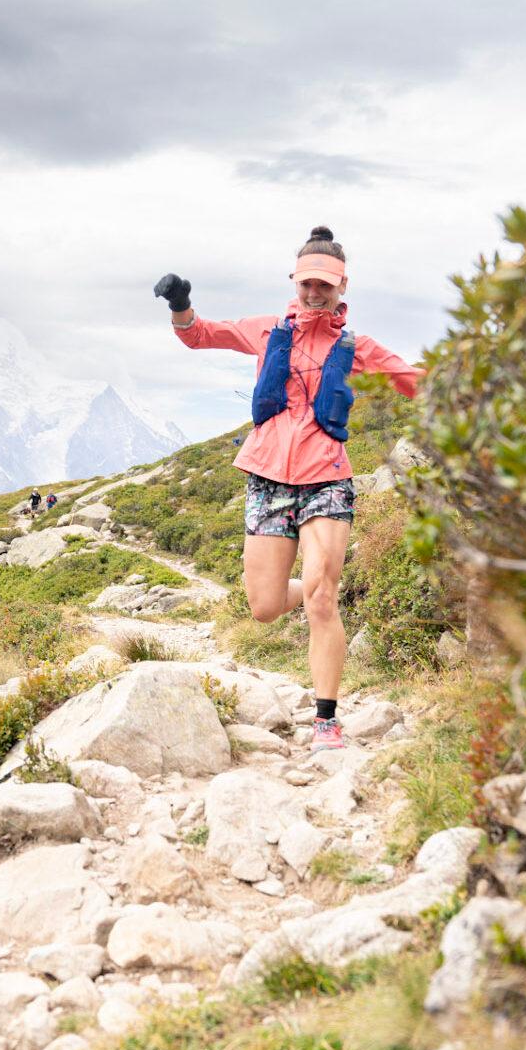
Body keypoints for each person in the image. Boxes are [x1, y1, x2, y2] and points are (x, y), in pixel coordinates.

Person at [155, 226, 422, 751]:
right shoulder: (265, 330)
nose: (314, 292)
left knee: (324, 598)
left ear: (342, 287)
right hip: (268, 476)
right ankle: (306, 589)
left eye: (324, 284)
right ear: (295, 282)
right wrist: (181, 305)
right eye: (306, 283)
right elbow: (199, 333)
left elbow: (414, 378)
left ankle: (326, 720)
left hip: (327, 477)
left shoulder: (356, 347)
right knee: (265, 606)